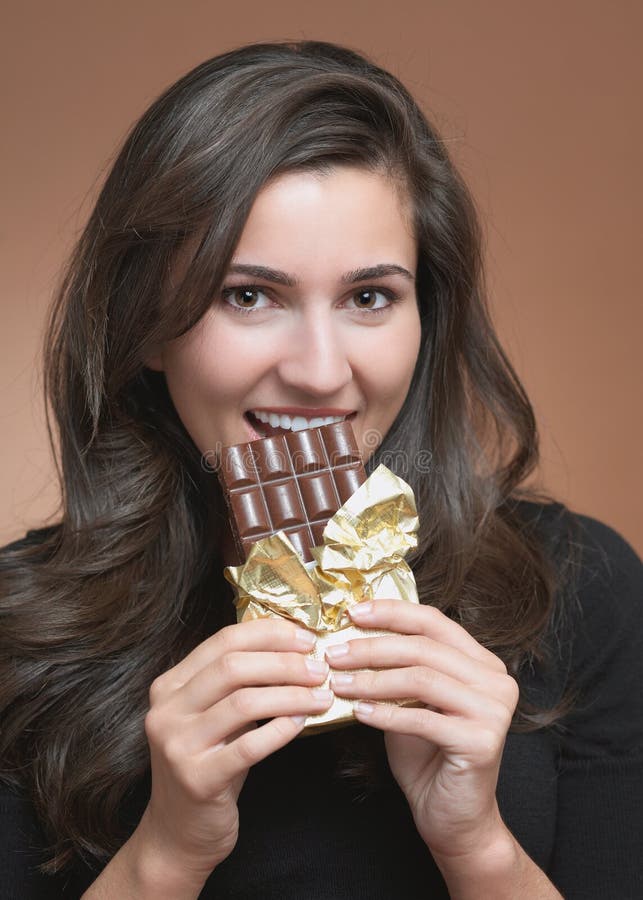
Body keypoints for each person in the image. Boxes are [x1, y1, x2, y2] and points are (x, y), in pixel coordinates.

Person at [0, 40, 641, 900]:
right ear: (147, 323)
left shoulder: (579, 587)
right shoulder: (19, 630)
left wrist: (478, 846)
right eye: (248, 295)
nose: (318, 369)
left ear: (426, 316)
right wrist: (167, 852)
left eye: (369, 297)